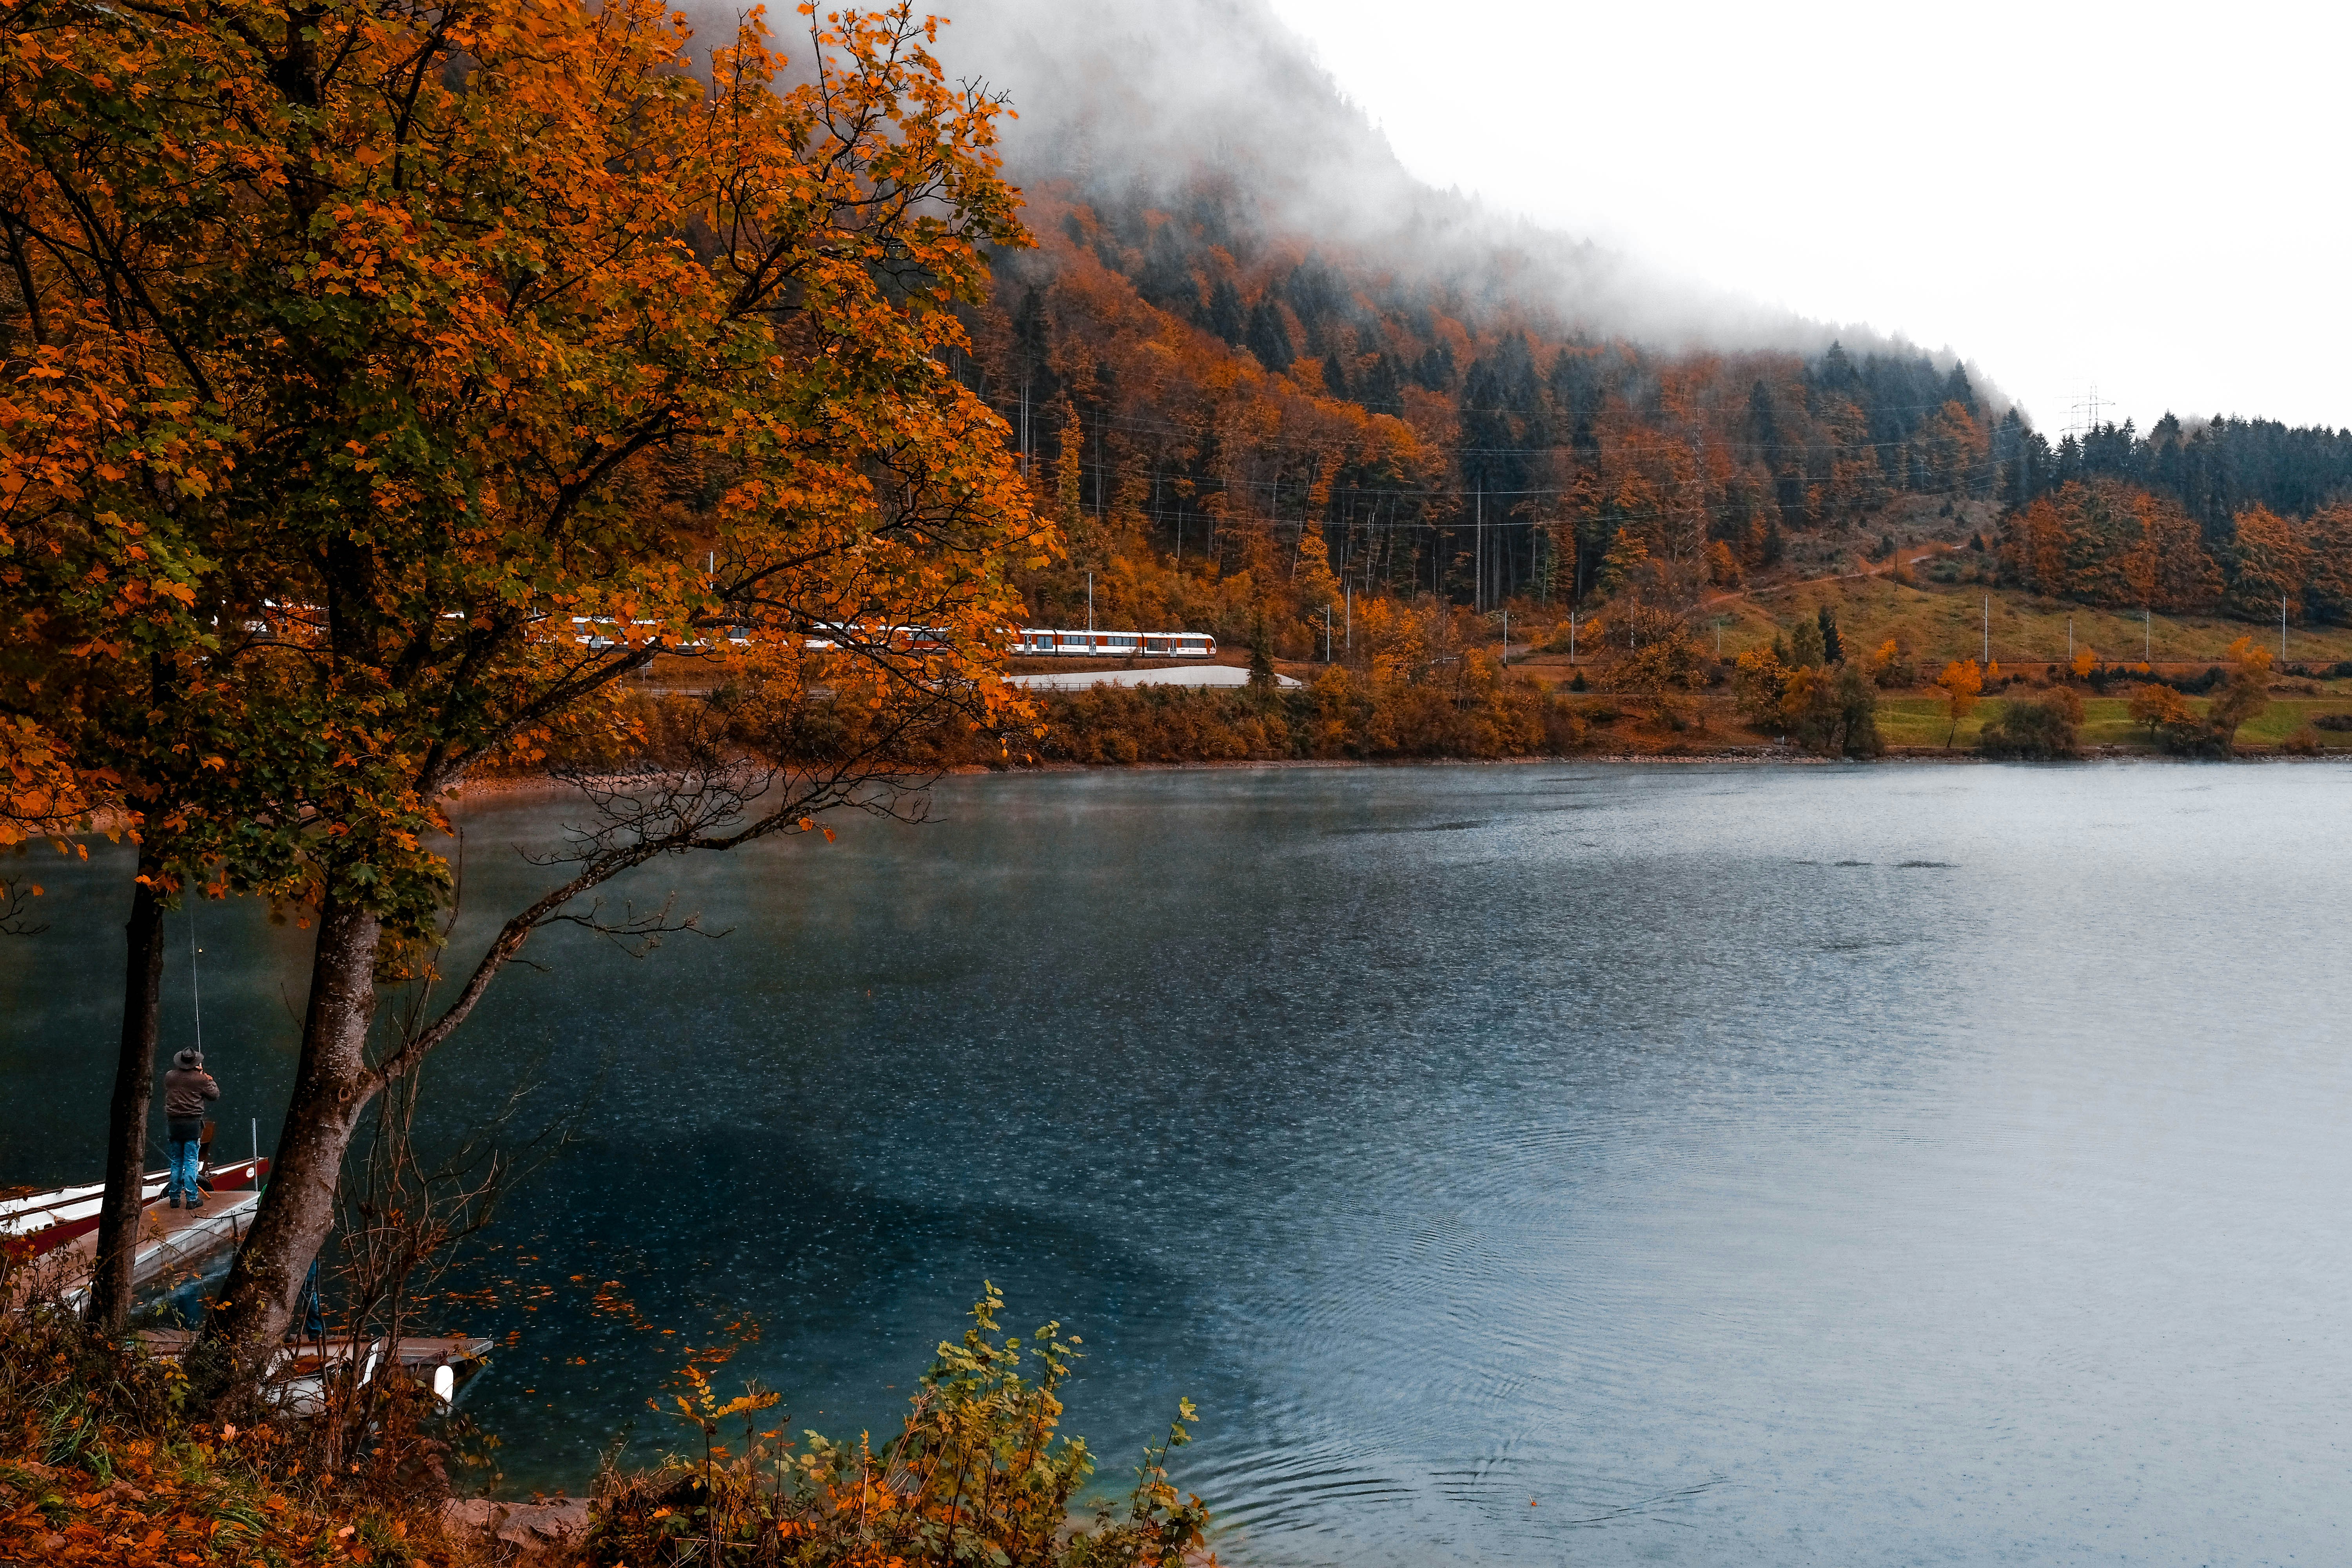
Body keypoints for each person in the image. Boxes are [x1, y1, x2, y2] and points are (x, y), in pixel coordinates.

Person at [163, 1049, 219, 1209]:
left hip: (174, 1124)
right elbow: (214, 1095)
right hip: (192, 1125)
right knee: (191, 1161)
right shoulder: (201, 1080)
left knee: (176, 1162)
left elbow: (182, 1083)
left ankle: (174, 1198)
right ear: (196, 1063)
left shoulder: (170, 1077)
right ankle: (192, 1199)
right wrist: (209, 1080)